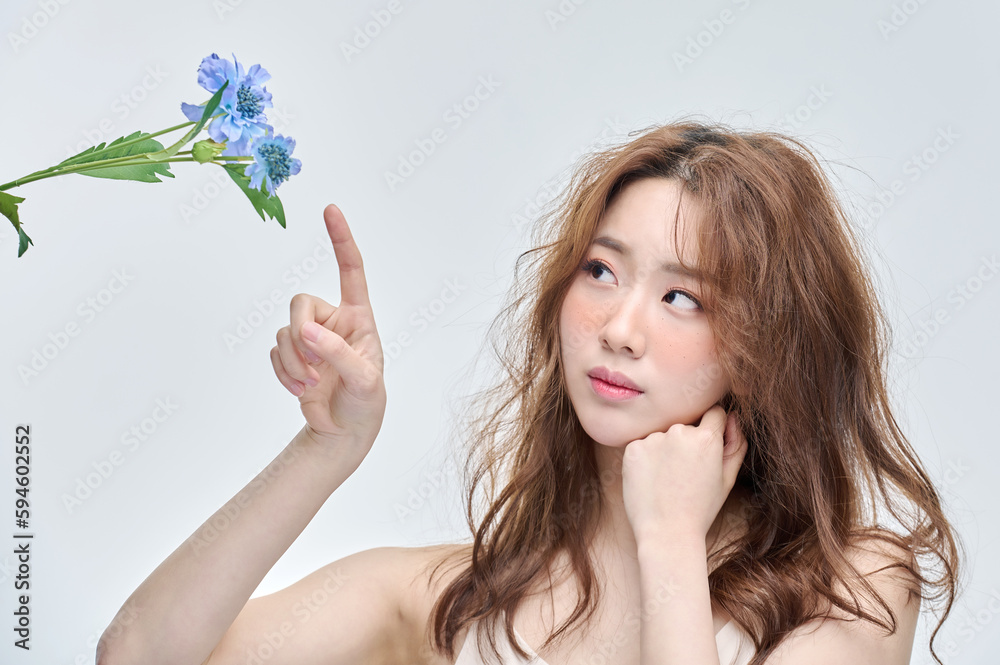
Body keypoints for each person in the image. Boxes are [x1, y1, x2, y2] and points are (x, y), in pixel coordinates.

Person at [96, 119, 962, 665]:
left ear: (770, 344)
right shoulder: (456, 601)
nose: (619, 326)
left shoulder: (854, 581)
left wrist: (668, 540)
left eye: (682, 296)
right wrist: (327, 448)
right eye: (601, 270)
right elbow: (134, 654)